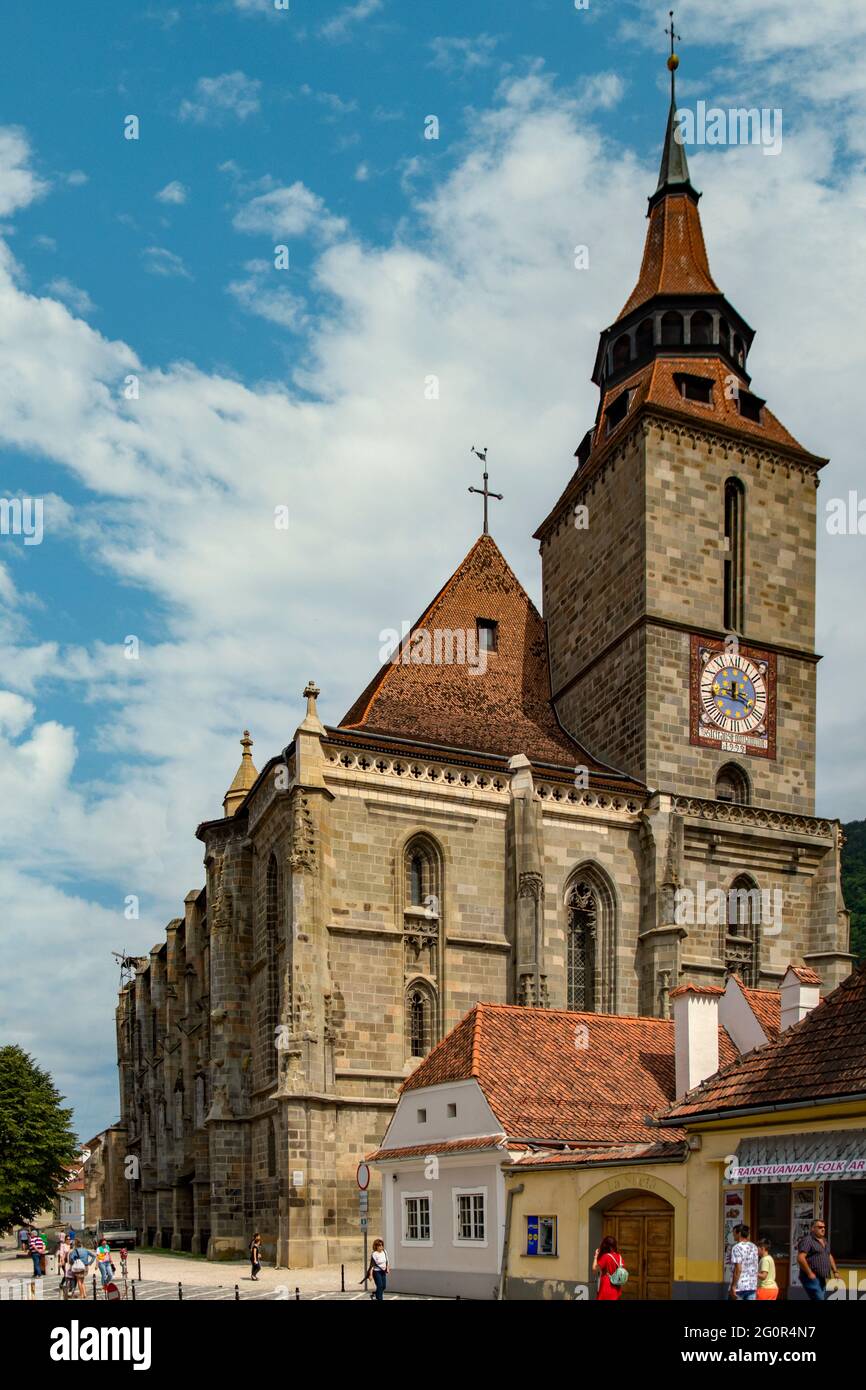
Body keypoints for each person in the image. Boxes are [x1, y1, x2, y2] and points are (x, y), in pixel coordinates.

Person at [797, 1219, 837, 1301]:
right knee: (819, 1298)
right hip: (811, 1277)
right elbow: (800, 1258)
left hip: (821, 1277)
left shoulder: (824, 1241)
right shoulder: (808, 1240)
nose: (823, 1229)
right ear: (813, 1228)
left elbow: (829, 1255)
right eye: (820, 1227)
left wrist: (835, 1271)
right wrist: (809, 1273)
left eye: (824, 1227)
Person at [729, 1224, 759, 1300]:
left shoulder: (736, 1247)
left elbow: (738, 1269)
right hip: (752, 1286)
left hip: (739, 1287)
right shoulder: (754, 1247)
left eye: (734, 1233)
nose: (733, 1235)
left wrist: (733, 1286)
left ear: (739, 1233)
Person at [593, 1235, 625, 1301]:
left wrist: (596, 1257)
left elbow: (594, 1270)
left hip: (606, 1288)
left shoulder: (606, 1257)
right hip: (617, 1290)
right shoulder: (620, 1257)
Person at [756, 1235, 778, 1301]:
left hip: (765, 1289)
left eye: (757, 1248)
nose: (756, 1250)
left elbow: (763, 1276)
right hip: (773, 1289)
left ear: (762, 1248)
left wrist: (753, 1272)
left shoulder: (764, 1260)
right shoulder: (770, 1258)